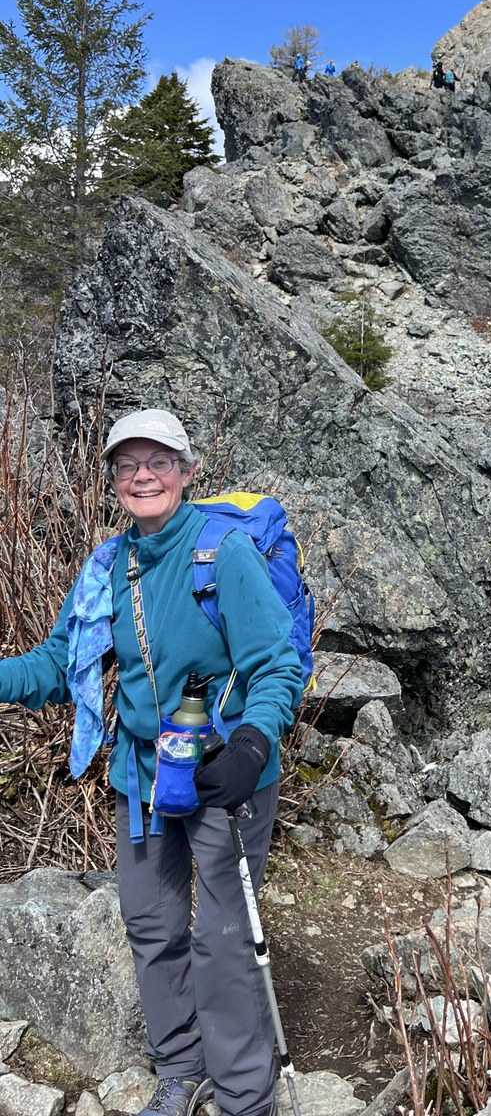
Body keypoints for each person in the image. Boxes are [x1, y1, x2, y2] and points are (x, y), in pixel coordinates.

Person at [0, 409, 302, 1116]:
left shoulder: (222, 551)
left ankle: (241, 1096)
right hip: (141, 775)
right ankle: (181, 1069)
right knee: (152, 926)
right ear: (112, 481)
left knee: (224, 940)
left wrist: (255, 743)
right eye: (127, 464)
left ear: (187, 472)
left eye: (158, 461)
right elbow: (57, 663)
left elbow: (275, 665)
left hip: (227, 773)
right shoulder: (110, 563)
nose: (143, 475)